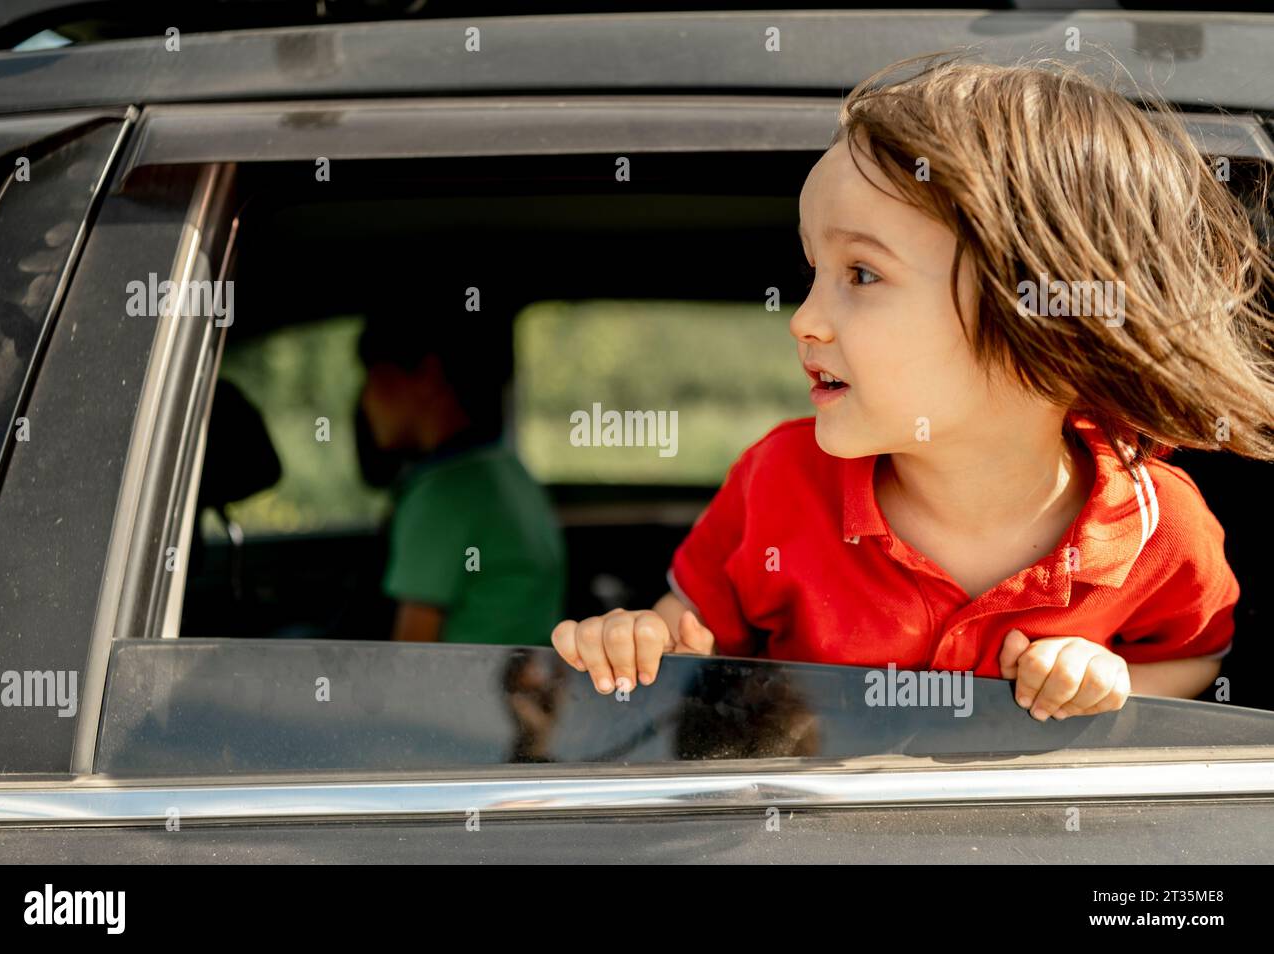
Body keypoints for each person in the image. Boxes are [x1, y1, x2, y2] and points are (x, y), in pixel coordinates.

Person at [551, 54, 1274, 721]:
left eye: (861, 275)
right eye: (813, 273)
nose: (804, 319)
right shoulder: (779, 483)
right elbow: (686, 645)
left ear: (1045, 319)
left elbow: (1193, 656)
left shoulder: (1158, 526)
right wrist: (634, 639)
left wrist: (1110, 681)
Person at [358, 310, 565, 645]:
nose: (365, 399)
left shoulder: (445, 494)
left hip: (461, 693)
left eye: (373, 377)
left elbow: (408, 658)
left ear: (427, 375)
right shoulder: (508, 469)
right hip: (519, 685)